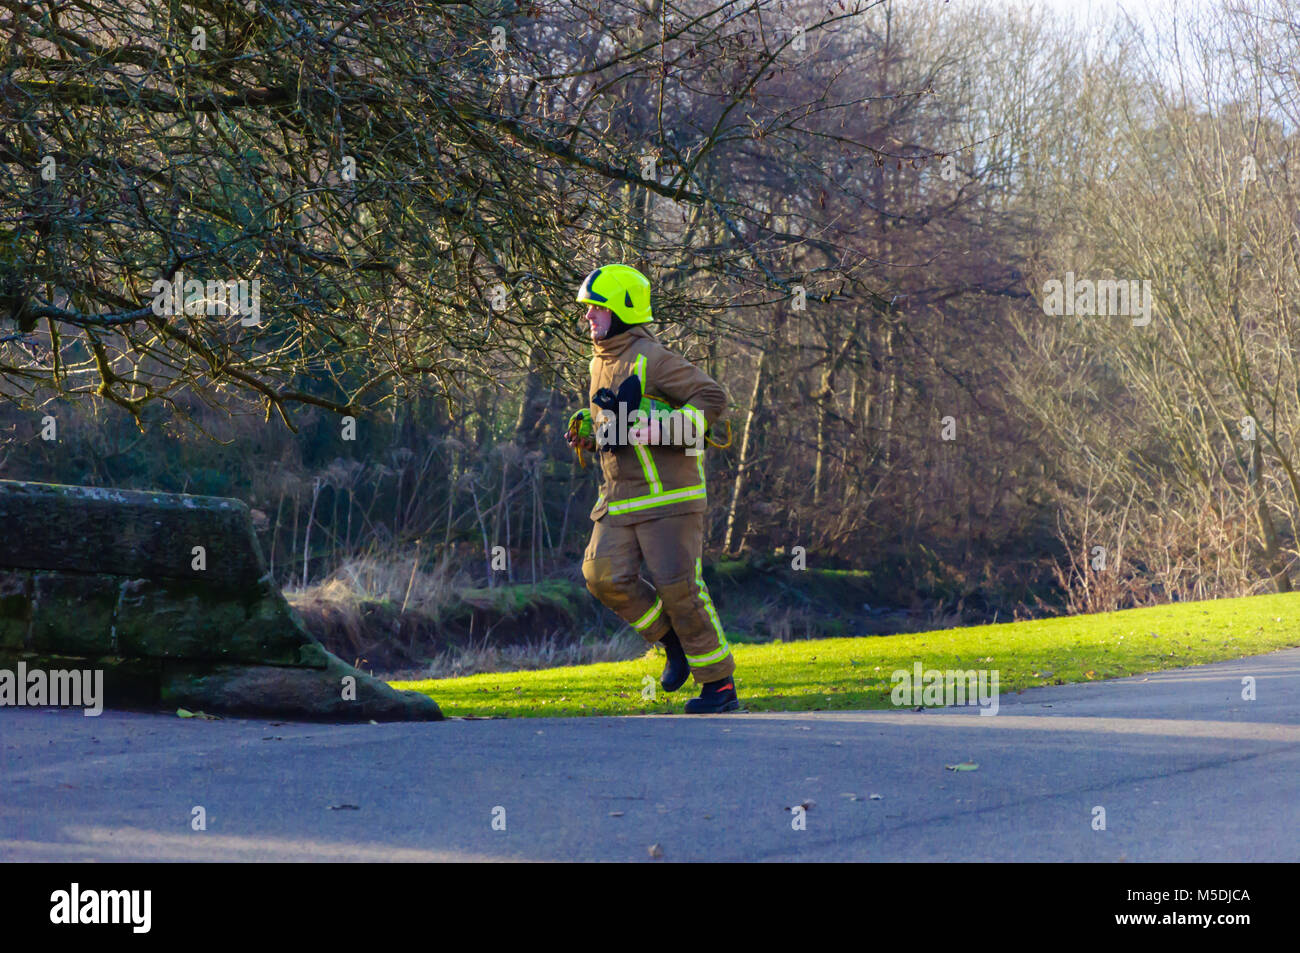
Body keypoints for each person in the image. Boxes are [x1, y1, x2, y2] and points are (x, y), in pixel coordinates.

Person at [565, 263, 739, 713]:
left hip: (669, 500)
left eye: (595, 309)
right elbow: (617, 425)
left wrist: (664, 428)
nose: (587, 317)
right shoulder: (597, 363)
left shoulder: (654, 358)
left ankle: (719, 686)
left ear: (622, 310)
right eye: (588, 310)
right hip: (620, 499)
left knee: (679, 588)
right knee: (601, 575)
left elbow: (713, 398)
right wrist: (592, 432)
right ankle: (672, 643)